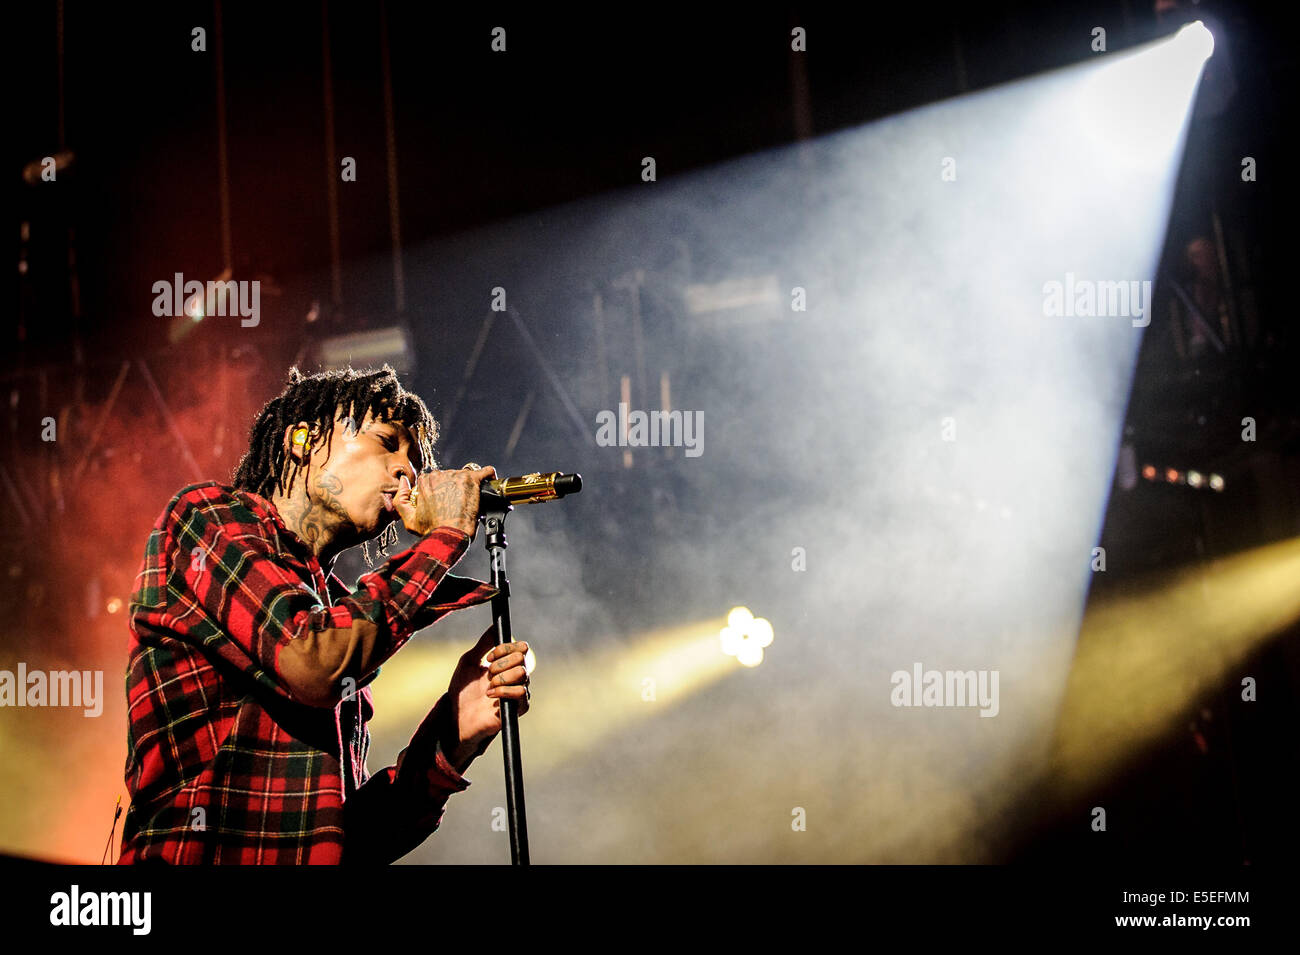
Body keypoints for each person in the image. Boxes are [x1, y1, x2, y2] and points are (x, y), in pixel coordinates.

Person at [118, 364, 531, 864]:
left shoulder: (338, 615)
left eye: (414, 460)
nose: (408, 472)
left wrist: (453, 733)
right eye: (387, 443)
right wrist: (447, 537)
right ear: (302, 440)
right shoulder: (206, 519)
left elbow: (350, 841)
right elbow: (312, 660)